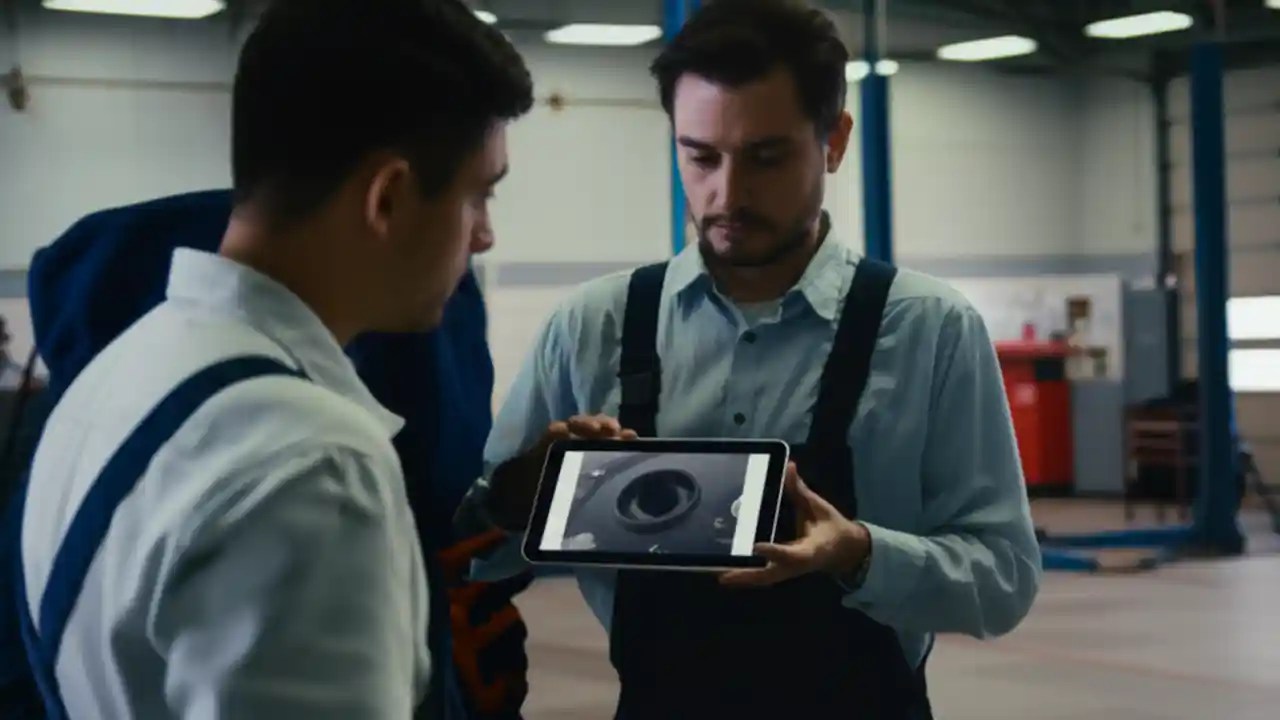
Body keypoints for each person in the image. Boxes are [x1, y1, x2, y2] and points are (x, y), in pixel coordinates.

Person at [456, 0, 1041, 717]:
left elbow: (1004, 579)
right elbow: (476, 553)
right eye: (700, 156)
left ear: (834, 141)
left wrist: (859, 553)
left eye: (766, 157)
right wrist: (522, 493)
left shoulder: (928, 331)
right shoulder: (590, 330)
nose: (727, 194)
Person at [14, 1, 532, 718]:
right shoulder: (312, 462)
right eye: (479, 195)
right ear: (388, 198)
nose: (484, 238)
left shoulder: (119, 373)